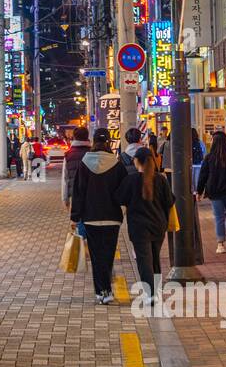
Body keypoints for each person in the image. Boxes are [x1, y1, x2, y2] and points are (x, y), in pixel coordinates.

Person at [70, 128, 128, 304]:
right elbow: (123, 191)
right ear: (109, 142)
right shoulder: (117, 164)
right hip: (112, 217)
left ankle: (102, 292)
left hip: (90, 217)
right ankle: (107, 291)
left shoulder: (84, 163)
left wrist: (75, 216)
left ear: (94, 142)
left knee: (96, 257)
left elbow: (78, 192)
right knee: (108, 254)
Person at [119, 147, 175, 302]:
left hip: (138, 227)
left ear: (137, 161)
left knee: (144, 259)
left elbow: (120, 198)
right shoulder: (161, 179)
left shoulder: (131, 180)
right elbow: (170, 201)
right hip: (158, 225)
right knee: (154, 257)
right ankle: (155, 292)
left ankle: (149, 294)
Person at [61, 126, 92, 210]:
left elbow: (65, 179)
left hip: (74, 195)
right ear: (87, 136)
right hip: (92, 194)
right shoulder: (93, 152)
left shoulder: (68, 154)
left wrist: (65, 199)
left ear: (74, 137)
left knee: (78, 220)